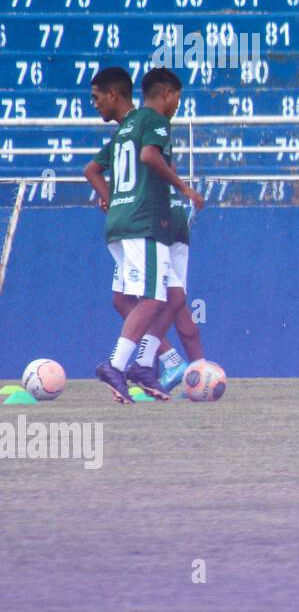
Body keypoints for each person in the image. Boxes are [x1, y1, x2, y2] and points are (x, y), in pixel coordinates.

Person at [84, 66, 204, 403]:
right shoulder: (154, 122)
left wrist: (109, 196)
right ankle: (117, 364)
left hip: (120, 224)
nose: (177, 105)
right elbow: (149, 156)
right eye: (177, 98)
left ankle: (146, 364)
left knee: (153, 296)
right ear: (167, 94)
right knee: (154, 297)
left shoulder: (125, 129)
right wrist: (183, 187)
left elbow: (91, 169)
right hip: (143, 222)